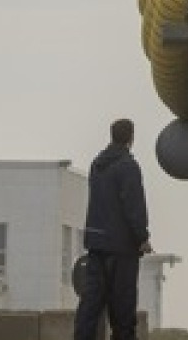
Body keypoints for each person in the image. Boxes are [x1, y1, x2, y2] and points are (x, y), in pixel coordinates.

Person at [74, 119, 152, 340]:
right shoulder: (128, 166)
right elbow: (133, 204)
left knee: (90, 305)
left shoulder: (97, 164)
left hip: (97, 245)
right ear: (131, 137)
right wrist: (142, 236)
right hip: (122, 248)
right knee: (123, 309)